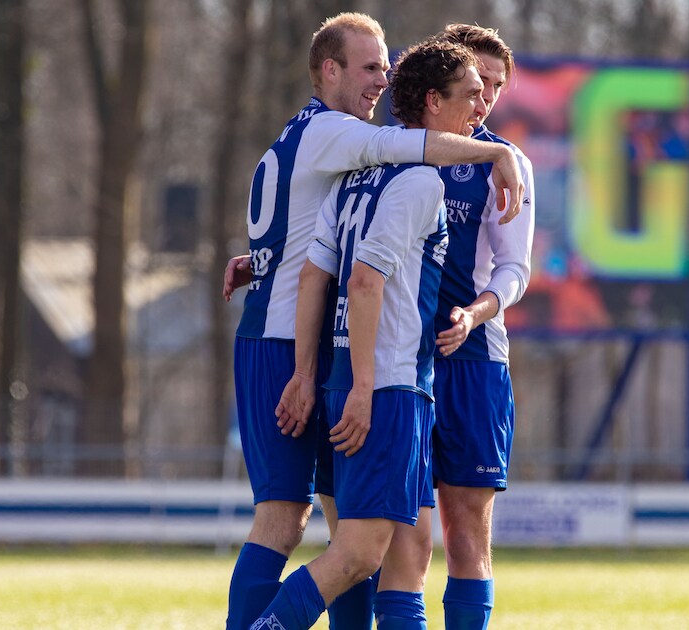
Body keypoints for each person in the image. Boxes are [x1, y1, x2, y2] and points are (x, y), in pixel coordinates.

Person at [221, 13, 523, 630]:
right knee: (321, 532)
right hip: (350, 365)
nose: (485, 108)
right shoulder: (368, 151)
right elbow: (362, 273)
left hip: (323, 351)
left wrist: (261, 261)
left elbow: (310, 258)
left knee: (356, 537)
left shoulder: (334, 161)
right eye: (474, 92)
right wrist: (499, 152)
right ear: (328, 70)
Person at [429, 24, 534, 630]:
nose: (487, 95)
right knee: (398, 532)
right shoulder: (393, 150)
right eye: (479, 81)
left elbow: (515, 270)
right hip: (398, 358)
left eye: (498, 85)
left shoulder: (506, 164)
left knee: (466, 527)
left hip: (475, 362)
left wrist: (475, 311)